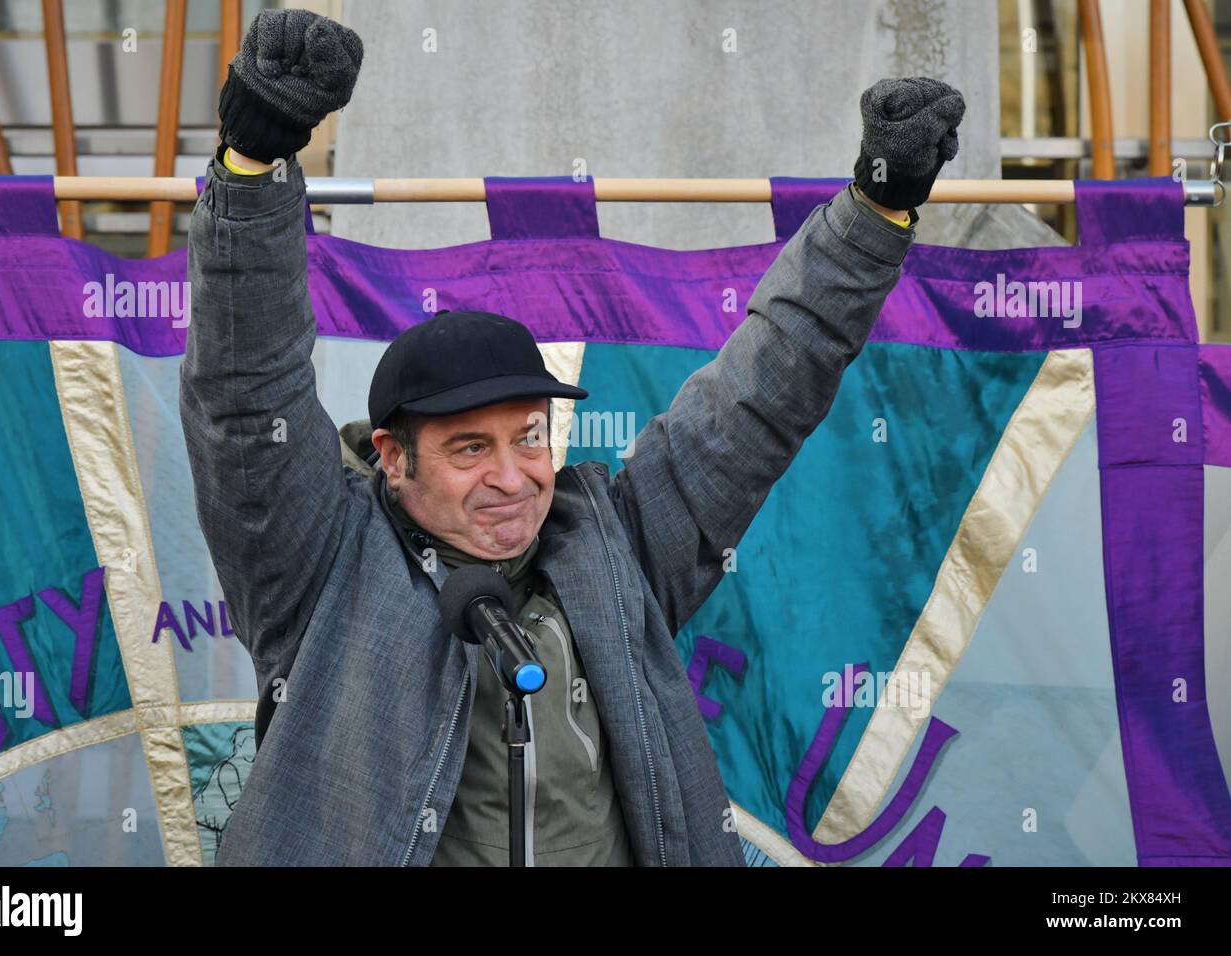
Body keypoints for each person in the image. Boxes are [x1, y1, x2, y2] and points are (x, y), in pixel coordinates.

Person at [181, 8, 964, 866]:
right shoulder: (320, 561)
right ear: (393, 459)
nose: (515, 477)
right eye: (470, 449)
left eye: (529, 437)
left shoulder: (614, 541)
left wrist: (875, 211)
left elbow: (760, 399)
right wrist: (252, 161)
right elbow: (244, 394)